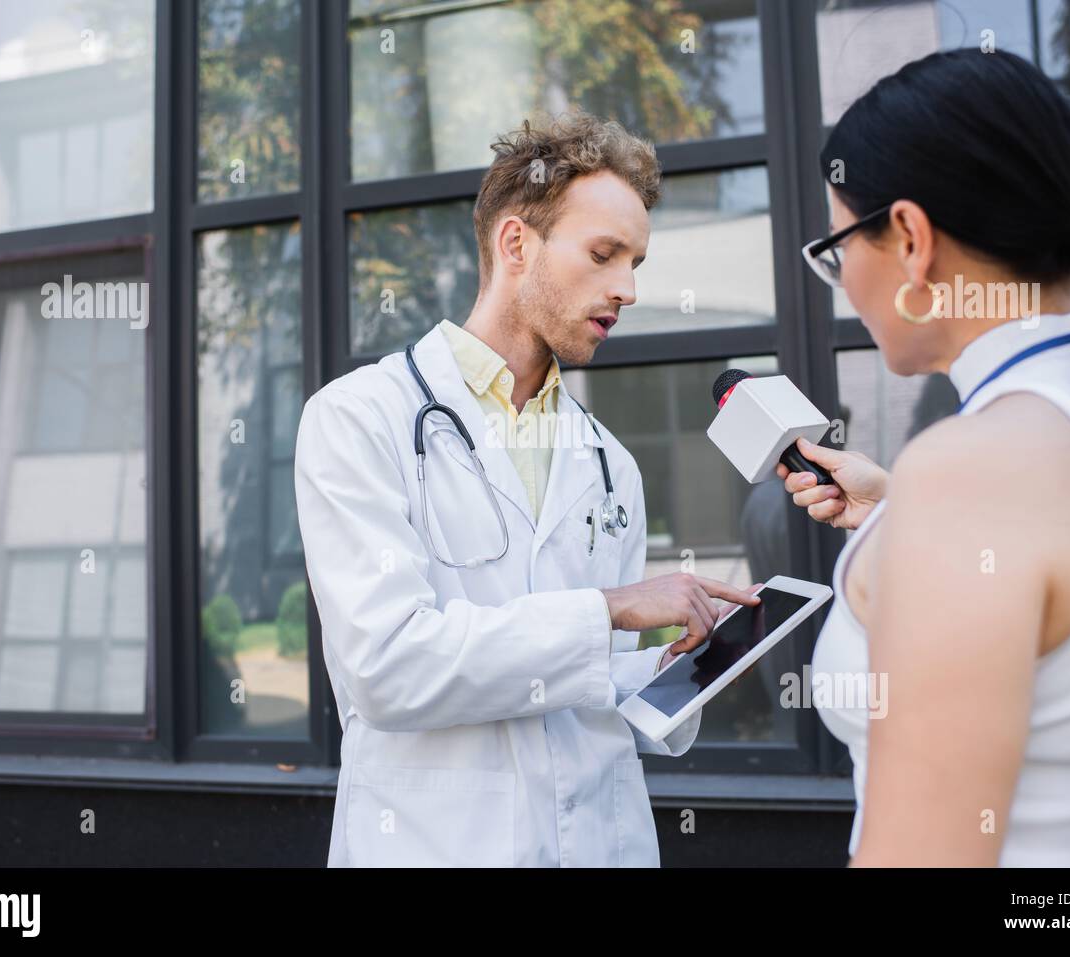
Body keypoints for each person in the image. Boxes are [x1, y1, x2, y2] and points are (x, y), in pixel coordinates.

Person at [294, 111, 759, 867]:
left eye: (636, 262)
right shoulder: (358, 420)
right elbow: (388, 668)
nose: (629, 289)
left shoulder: (610, 463)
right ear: (516, 244)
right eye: (604, 254)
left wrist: (685, 665)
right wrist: (608, 609)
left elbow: (599, 681)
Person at [781, 48, 1070, 866]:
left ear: (909, 237)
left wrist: (933, 515)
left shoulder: (976, 472)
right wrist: (905, 522)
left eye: (835, 251)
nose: (842, 285)